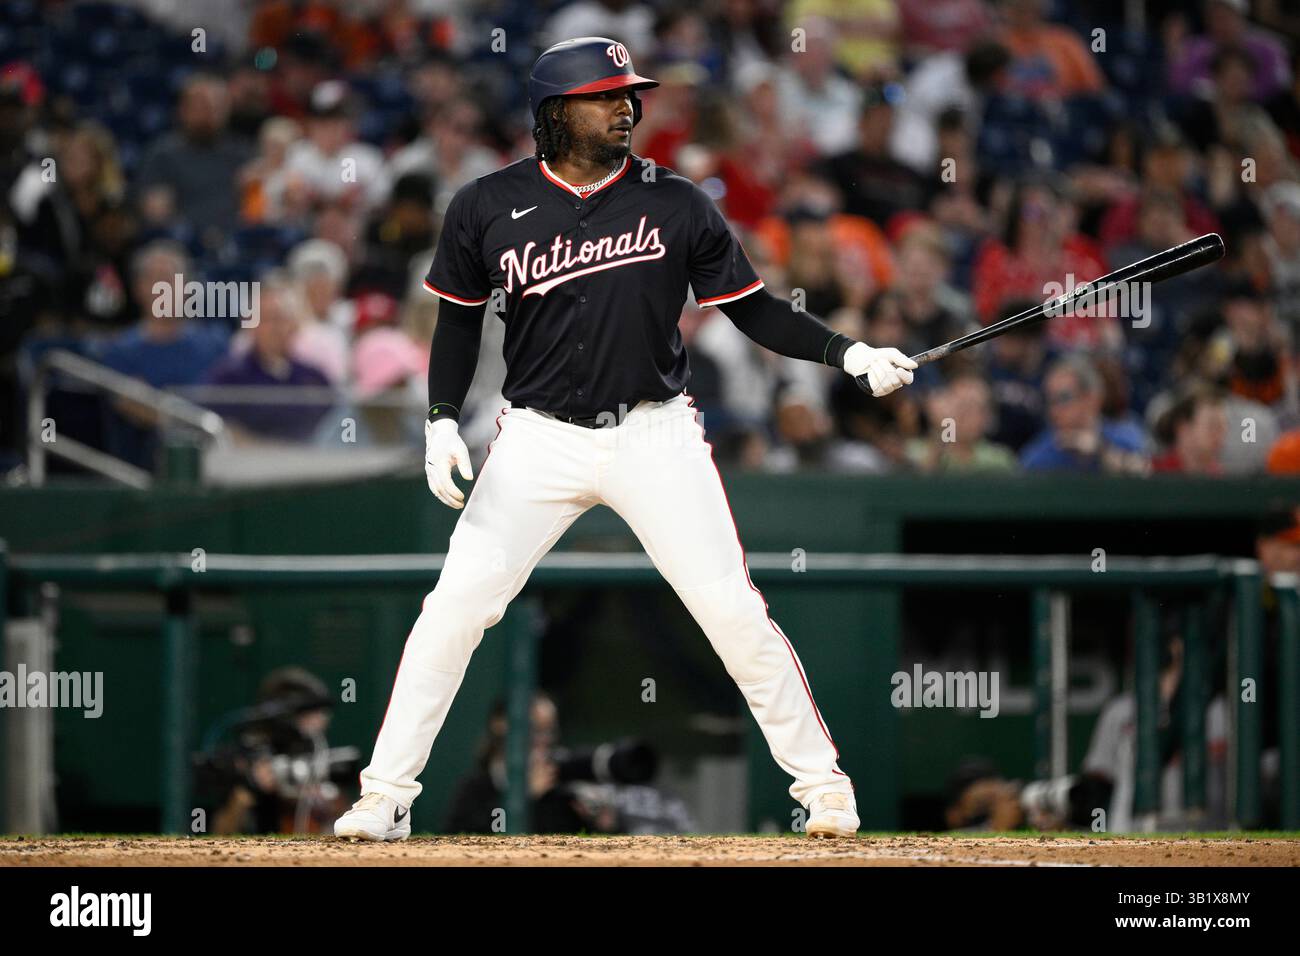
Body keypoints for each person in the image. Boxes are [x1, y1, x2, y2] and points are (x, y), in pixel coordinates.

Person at [334, 37, 919, 842]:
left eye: (627, 92)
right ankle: (385, 796)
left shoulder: (674, 201)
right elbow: (457, 328)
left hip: (655, 434)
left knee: (731, 611)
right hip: (536, 438)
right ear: (554, 112)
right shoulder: (484, 204)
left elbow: (754, 308)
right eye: (604, 94)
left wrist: (847, 353)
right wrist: (440, 420)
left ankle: (822, 787)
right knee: (453, 609)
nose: (625, 105)